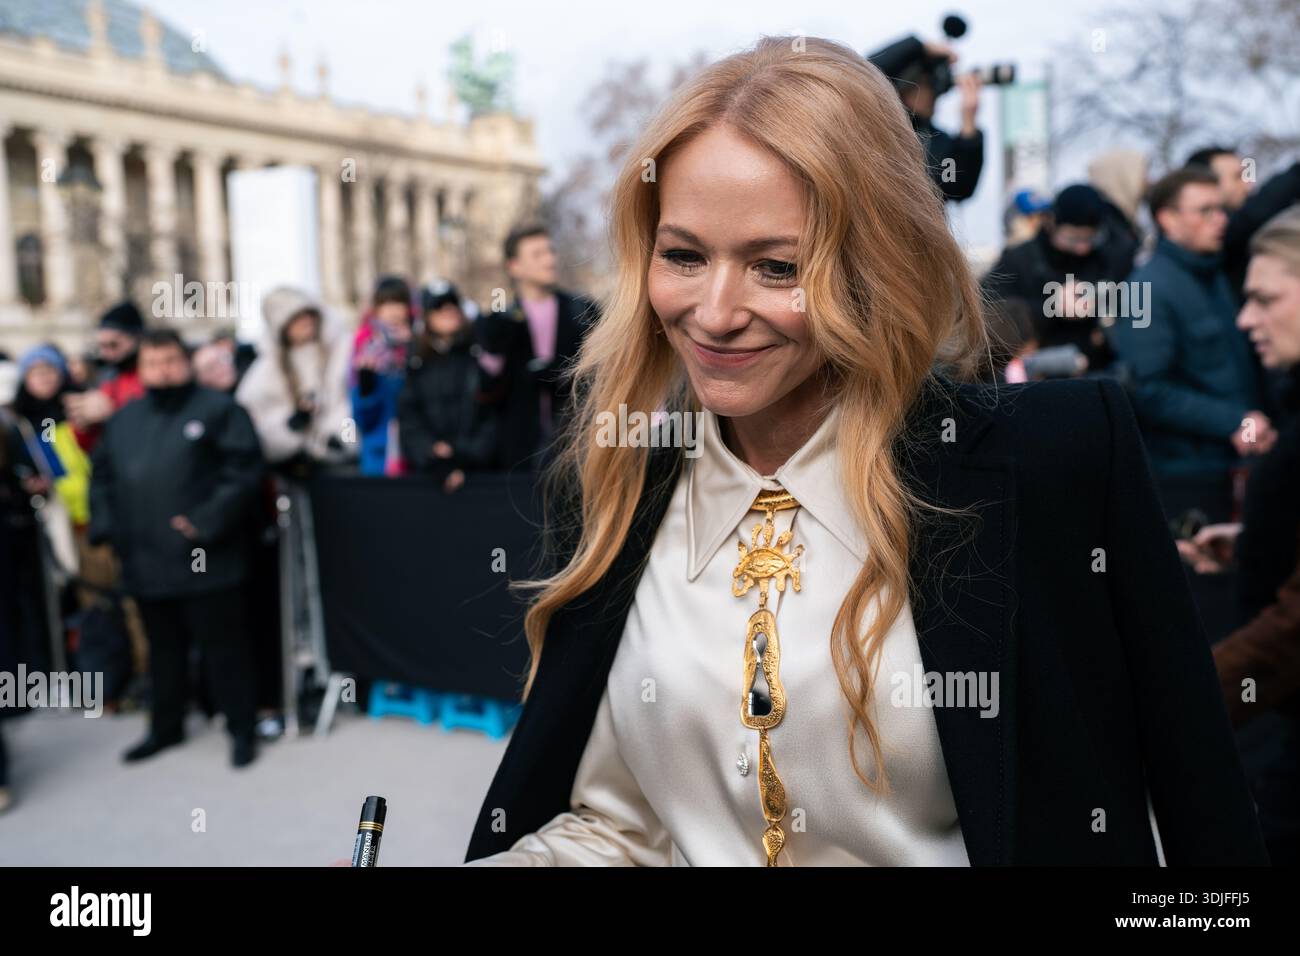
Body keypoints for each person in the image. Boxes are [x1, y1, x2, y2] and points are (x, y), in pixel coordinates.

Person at [463, 37, 1265, 866]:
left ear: (874, 266)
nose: (715, 310)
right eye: (684, 256)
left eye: (777, 267)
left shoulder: (1053, 461)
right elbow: (620, 827)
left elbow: (1204, 813)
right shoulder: (619, 480)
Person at [89, 329, 265, 767]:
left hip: (207, 558)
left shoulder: (219, 410)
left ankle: (241, 729)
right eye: (153, 362)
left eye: (170, 360)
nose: (162, 370)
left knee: (226, 649)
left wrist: (206, 521)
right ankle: (164, 728)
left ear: (185, 362)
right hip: (146, 559)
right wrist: (109, 530)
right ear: (141, 366)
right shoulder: (125, 419)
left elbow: (244, 471)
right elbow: (103, 478)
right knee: (162, 651)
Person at [1106, 166, 1274, 522]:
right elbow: (1145, 389)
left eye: (1221, 209)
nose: (1220, 220)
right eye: (1205, 211)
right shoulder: (1145, 289)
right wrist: (1233, 420)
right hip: (1186, 476)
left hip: (1239, 465)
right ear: (1167, 219)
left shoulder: (1213, 276)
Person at [476, 225, 598, 472]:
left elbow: (603, 374)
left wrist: (561, 374)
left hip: (577, 446)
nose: (550, 260)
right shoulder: (500, 319)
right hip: (517, 451)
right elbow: (485, 386)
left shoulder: (582, 310)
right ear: (514, 266)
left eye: (550, 251)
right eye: (537, 254)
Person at [982, 184, 1134, 370]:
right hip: (1034, 372)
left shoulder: (1105, 260)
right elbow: (989, 314)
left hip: (1094, 369)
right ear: (1051, 223)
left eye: (1090, 239)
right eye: (1073, 239)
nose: (1082, 248)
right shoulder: (1018, 260)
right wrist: (1052, 306)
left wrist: (1102, 310)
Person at [235, 286, 353, 474]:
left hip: (348, 458)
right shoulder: (265, 373)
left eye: (308, 314)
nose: (306, 322)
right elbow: (256, 426)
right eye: (296, 318)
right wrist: (294, 423)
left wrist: (344, 439)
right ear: (281, 327)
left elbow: (349, 405)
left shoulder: (344, 351)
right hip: (297, 468)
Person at [398, 280, 499, 493]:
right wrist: (431, 453)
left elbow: (493, 415)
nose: (448, 310)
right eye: (439, 306)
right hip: (429, 478)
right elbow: (408, 420)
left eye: (453, 304)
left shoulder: (480, 356)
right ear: (427, 316)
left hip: (481, 477)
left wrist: (462, 455)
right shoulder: (416, 363)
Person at [867, 33, 984, 202]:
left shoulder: (935, 140)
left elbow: (955, 185)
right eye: (929, 84)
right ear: (906, 85)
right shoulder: (875, 126)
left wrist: (968, 126)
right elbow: (866, 74)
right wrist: (919, 47)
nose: (935, 94)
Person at [350, 275, 413, 476]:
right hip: (379, 454)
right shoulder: (364, 348)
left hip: (415, 450)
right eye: (386, 303)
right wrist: (366, 387)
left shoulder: (419, 346)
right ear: (375, 309)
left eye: (399, 302)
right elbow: (360, 417)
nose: (393, 311)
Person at [63, 301, 147, 443]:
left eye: (114, 345)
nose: (106, 353)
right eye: (102, 346)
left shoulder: (152, 376)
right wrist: (83, 425)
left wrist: (112, 414)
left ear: (137, 338)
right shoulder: (107, 378)